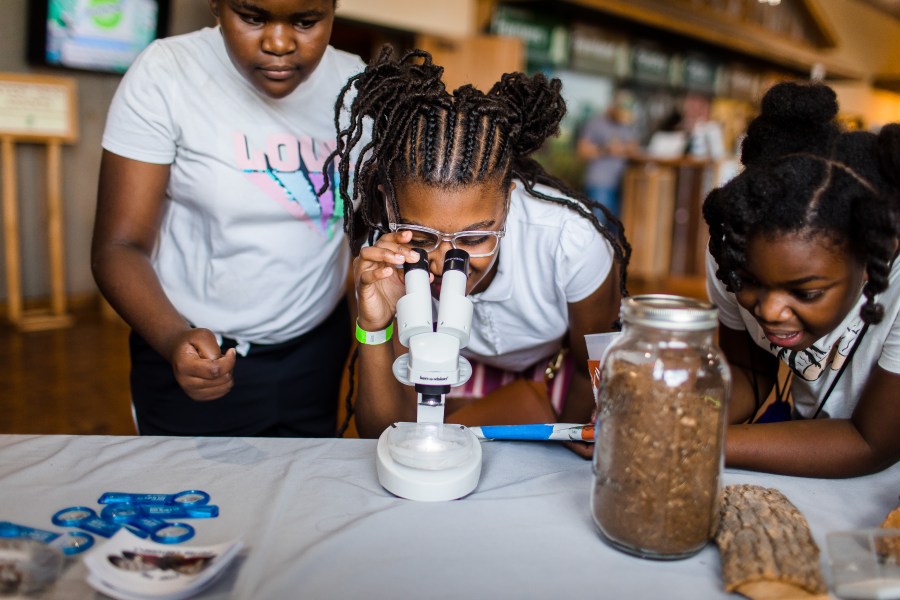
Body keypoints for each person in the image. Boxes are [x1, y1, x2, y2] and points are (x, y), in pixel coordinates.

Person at [321, 47, 630, 458]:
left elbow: (588, 369)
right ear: (389, 204)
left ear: (508, 202)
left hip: (555, 372)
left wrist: (563, 446)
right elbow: (382, 429)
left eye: (473, 239)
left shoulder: (569, 242)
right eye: (420, 235)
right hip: (448, 371)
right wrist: (373, 326)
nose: (441, 261)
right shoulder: (383, 252)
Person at [91, 0, 364, 437]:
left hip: (315, 355)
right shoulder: (167, 72)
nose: (279, 43)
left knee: (303, 498)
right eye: (253, 18)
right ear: (215, 4)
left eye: (306, 21)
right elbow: (119, 247)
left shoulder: (357, 86)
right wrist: (173, 340)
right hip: (191, 352)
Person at [703, 81, 900, 478]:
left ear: (868, 262)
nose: (770, 311)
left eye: (807, 292)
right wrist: (671, 408)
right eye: (750, 282)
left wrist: (694, 438)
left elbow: (871, 442)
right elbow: (749, 375)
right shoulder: (734, 252)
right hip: (808, 455)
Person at [575, 89, 639, 222]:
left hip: (621, 183)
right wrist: (606, 150)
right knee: (598, 225)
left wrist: (626, 149)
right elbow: (582, 151)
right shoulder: (596, 124)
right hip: (600, 183)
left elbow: (634, 148)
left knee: (616, 228)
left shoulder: (627, 126)